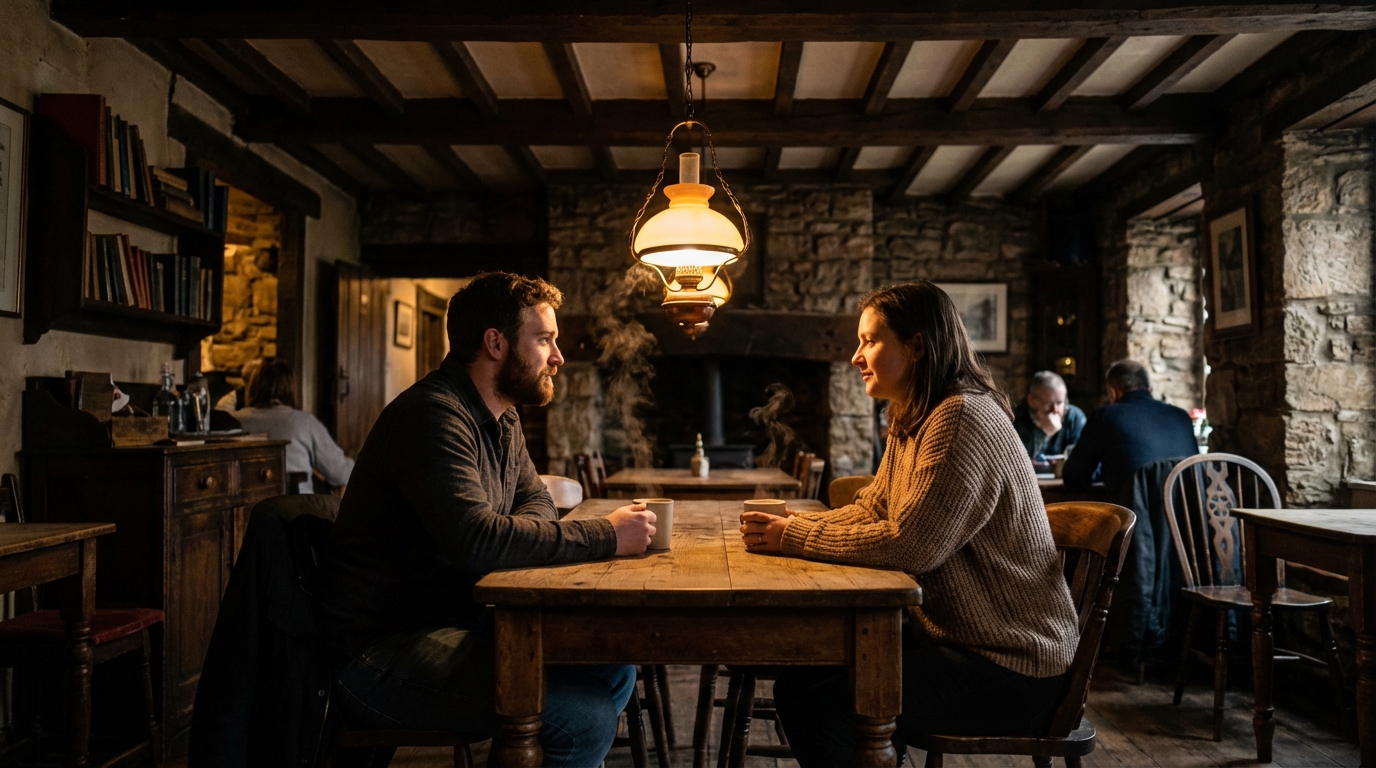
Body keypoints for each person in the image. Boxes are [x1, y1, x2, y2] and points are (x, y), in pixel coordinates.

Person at [318, 273, 655, 767]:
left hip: (453, 622)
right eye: (544, 340)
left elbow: (536, 500)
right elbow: (478, 541)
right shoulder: (433, 416)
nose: (558, 357)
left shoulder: (503, 416)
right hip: (381, 654)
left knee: (614, 665)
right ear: (495, 343)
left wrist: (510, 532)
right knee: (586, 716)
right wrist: (605, 534)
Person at [739, 281, 1079, 767]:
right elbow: (874, 508)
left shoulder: (961, 416)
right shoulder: (915, 414)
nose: (856, 356)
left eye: (870, 341)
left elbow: (910, 546)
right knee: (798, 683)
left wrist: (793, 535)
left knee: (821, 709)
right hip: (961, 642)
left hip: (1016, 666)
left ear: (916, 346)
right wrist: (795, 524)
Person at [1061, 360, 1197, 496]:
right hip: (1186, 514)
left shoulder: (1105, 416)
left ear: (1113, 393)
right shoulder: (1182, 416)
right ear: (1150, 389)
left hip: (1135, 515)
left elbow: (1074, 476)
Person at [231, 357, 355, 491]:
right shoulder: (304, 422)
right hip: (298, 509)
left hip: (247, 509)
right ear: (290, 388)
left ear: (251, 387)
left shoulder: (232, 421)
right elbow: (341, 473)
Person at [1012, 371, 1086, 462]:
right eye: (1048, 403)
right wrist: (1043, 433)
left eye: (1059, 403)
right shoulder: (1015, 419)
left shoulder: (1075, 418)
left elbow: (1082, 460)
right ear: (1031, 400)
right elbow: (1017, 462)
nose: (1055, 410)